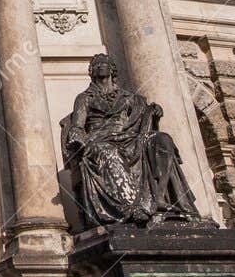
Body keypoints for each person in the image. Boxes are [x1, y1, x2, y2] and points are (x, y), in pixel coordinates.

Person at [62, 54, 200, 227]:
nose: (100, 67)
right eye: (96, 65)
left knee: (161, 140)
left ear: (112, 70)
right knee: (107, 152)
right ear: (91, 72)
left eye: (104, 64)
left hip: (130, 137)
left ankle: (160, 199)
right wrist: (79, 141)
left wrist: (153, 111)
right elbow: (77, 127)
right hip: (100, 139)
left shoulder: (128, 97)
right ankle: (131, 207)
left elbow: (142, 117)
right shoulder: (84, 98)